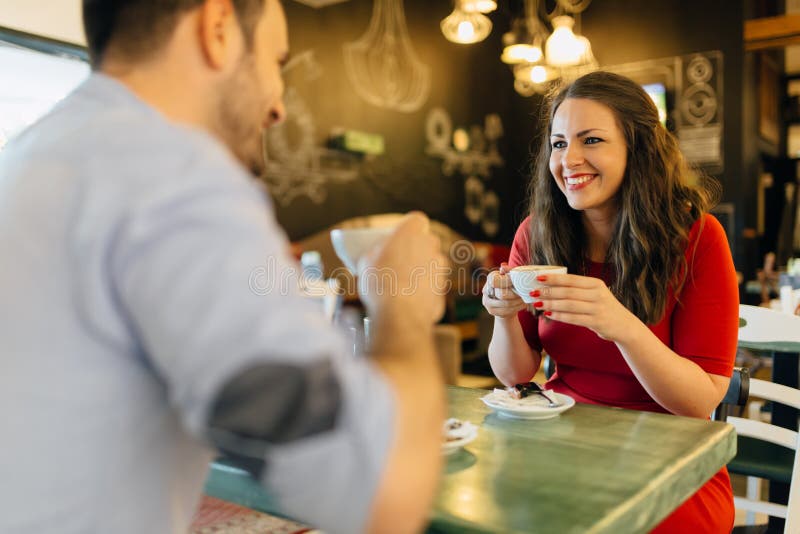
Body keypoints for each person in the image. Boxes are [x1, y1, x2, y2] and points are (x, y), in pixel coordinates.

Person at [0, 1, 447, 533]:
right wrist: (403, 305)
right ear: (217, 30)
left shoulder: (30, 155)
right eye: (275, 63)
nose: (279, 106)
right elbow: (381, 495)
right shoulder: (173, 174)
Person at [483, 71, 738, 533]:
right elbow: (516, 375)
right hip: (560, 437)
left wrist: (620, 325)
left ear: (637, 149)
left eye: (591, 140)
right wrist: (504, 317)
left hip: (670, 456)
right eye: (558, 144)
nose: (569, 159)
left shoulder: (697, 238)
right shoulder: (536, 234)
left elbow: (700, 401)